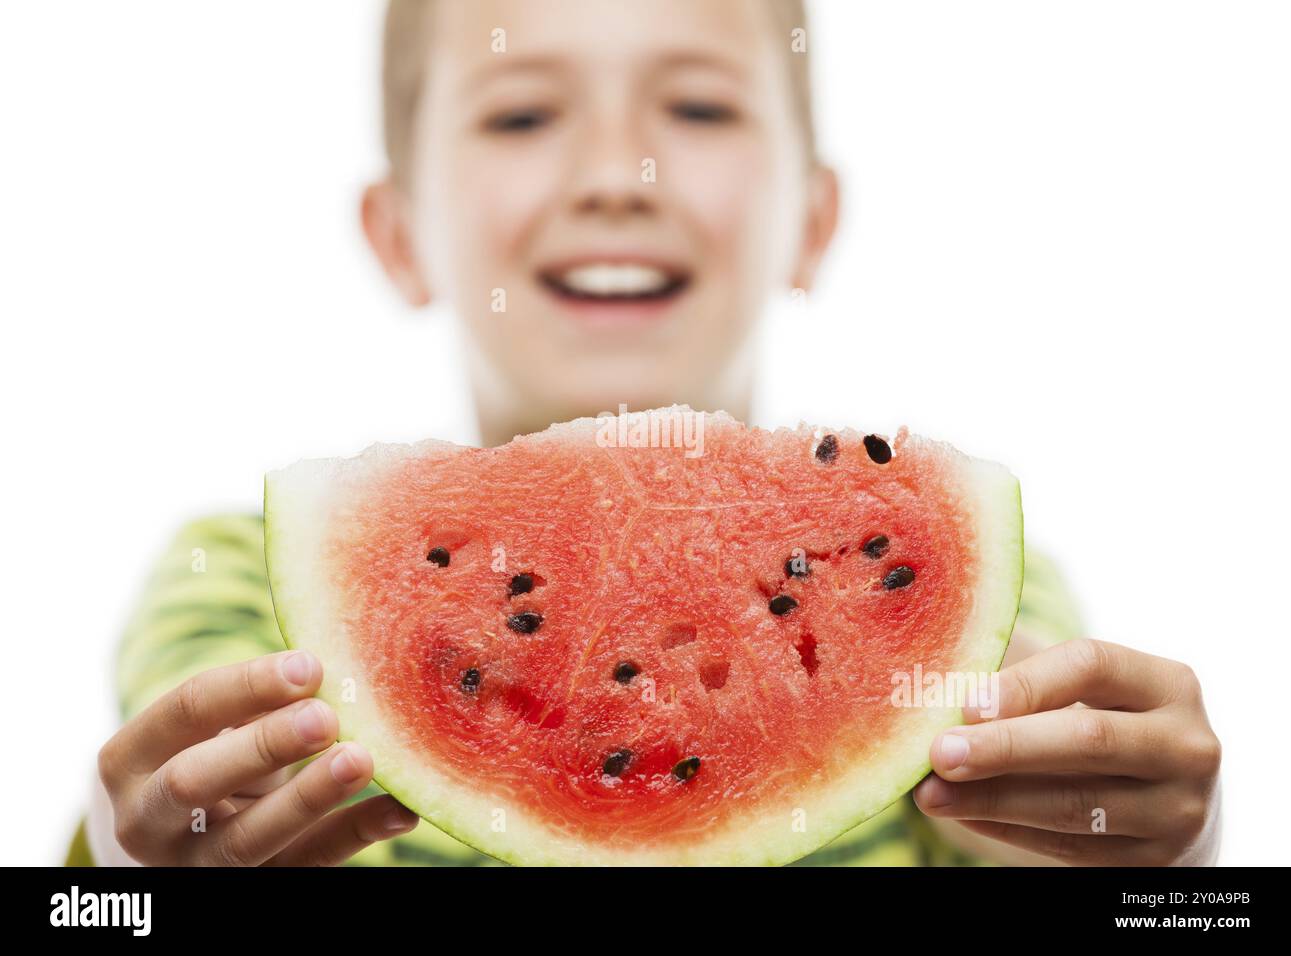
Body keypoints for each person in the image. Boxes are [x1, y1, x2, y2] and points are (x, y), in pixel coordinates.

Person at [73, 0, 1221, 867]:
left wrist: (1164, 855)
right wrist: (126, 868)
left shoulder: (998, 621)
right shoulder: (241, 581)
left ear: (812, 222)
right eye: (521, 112)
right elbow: (171, 815)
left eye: (700, 107)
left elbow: (1053, 832)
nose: (617, 173)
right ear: (399, 234)